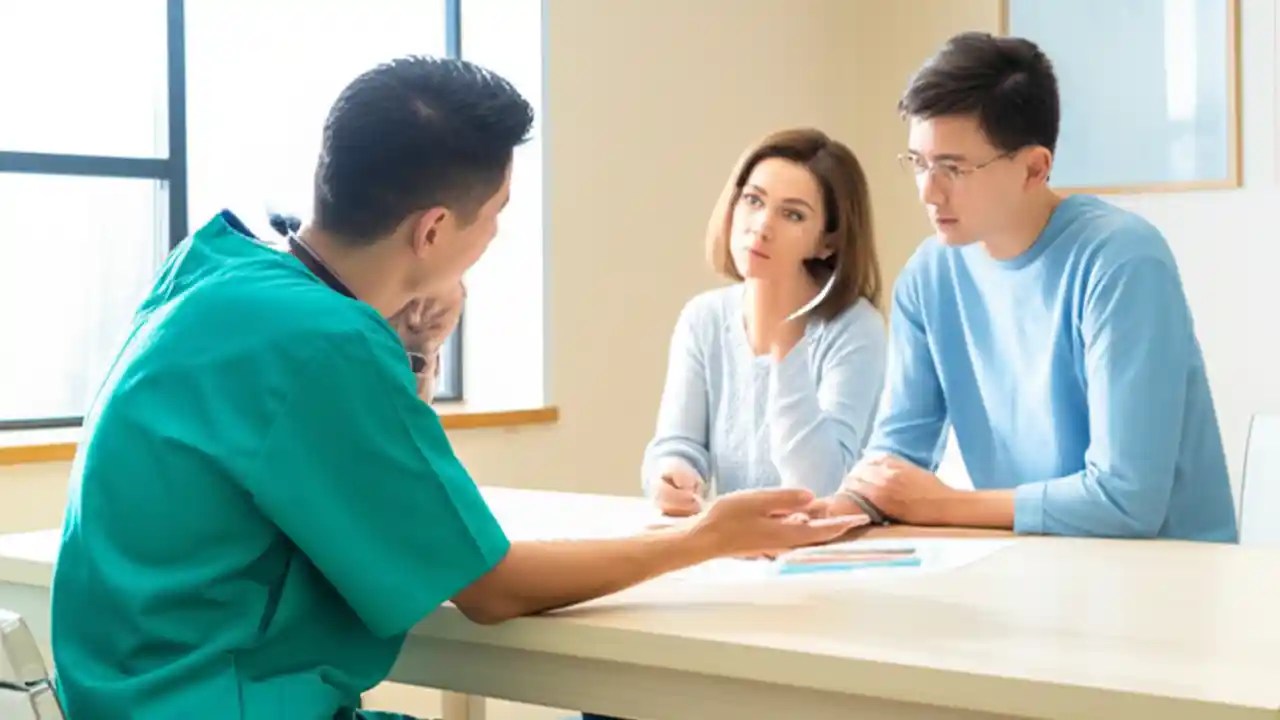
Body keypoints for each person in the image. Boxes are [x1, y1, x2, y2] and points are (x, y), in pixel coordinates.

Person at [48, 56, 864, 720]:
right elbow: (492, 589)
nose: (498, 233)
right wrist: (708, 538)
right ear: (434, 230)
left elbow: (335, 460)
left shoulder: (219, 266)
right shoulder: (325, 343)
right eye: (496, 214)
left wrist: (407, 347)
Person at [811, 32, 1237, 542]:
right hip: (1032, 566)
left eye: (954, 167)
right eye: (919, 163)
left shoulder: (1121, 261)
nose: (928, 190)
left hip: (1166, 582)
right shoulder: (929, 274)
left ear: (1035, 168)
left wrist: (942, 505)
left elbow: (1127, 500)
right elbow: (896, 456)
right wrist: (831, 513)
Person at [642, 128, 886, 517]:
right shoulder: (703, 318)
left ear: (828, 242)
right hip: (738, 551)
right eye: (753, 200)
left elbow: (819, 485)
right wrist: (672, 475)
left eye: (792, 214)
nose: (762, 226)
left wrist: (785, 348)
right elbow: (678, 445)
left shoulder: (856, 328)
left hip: (828, 553)